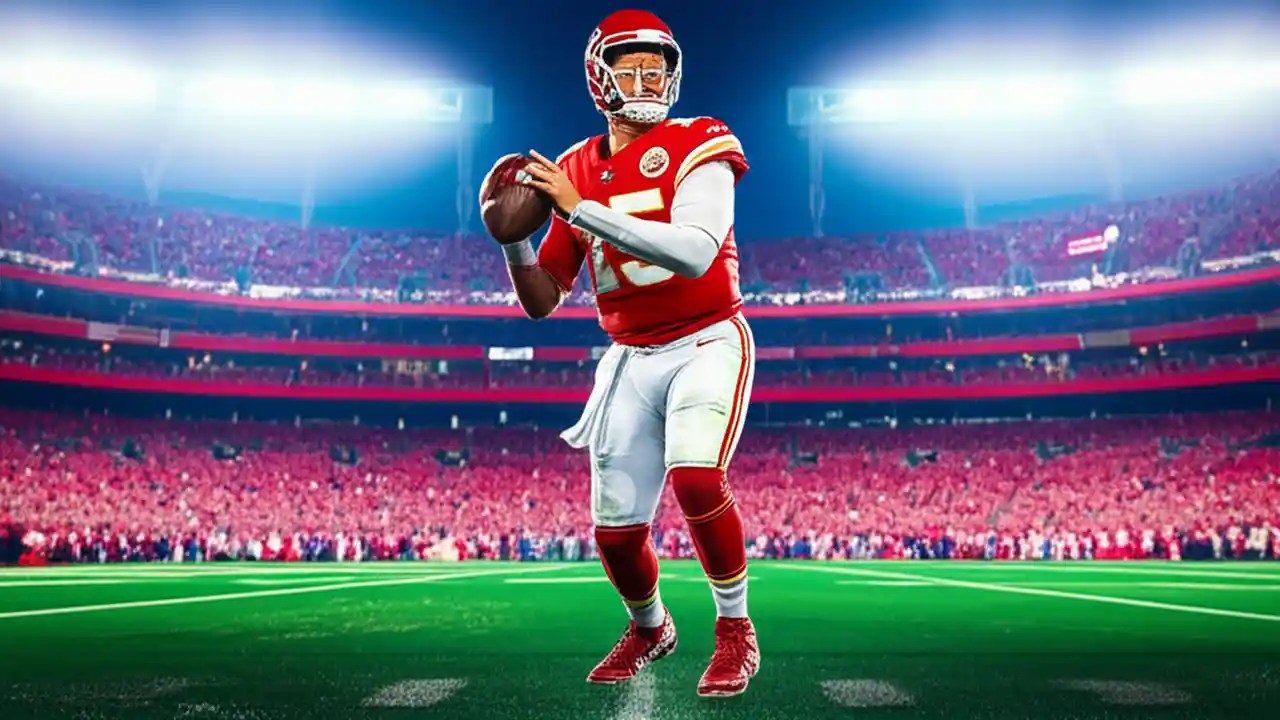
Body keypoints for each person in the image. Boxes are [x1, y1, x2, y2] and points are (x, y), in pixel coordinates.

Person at [488, 8, 758, 698]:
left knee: (696, 478)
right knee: (613, 532)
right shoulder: (575, 165)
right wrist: (515, 242)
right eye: (631, 68)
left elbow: (696, 253)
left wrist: (579, 208)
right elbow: (544, 299)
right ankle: (650, 628)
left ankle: (735, 629)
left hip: (706, 337)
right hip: (631, 357)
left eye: (656, 69)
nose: (647, 81)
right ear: (598, 77)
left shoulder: (701, 140)